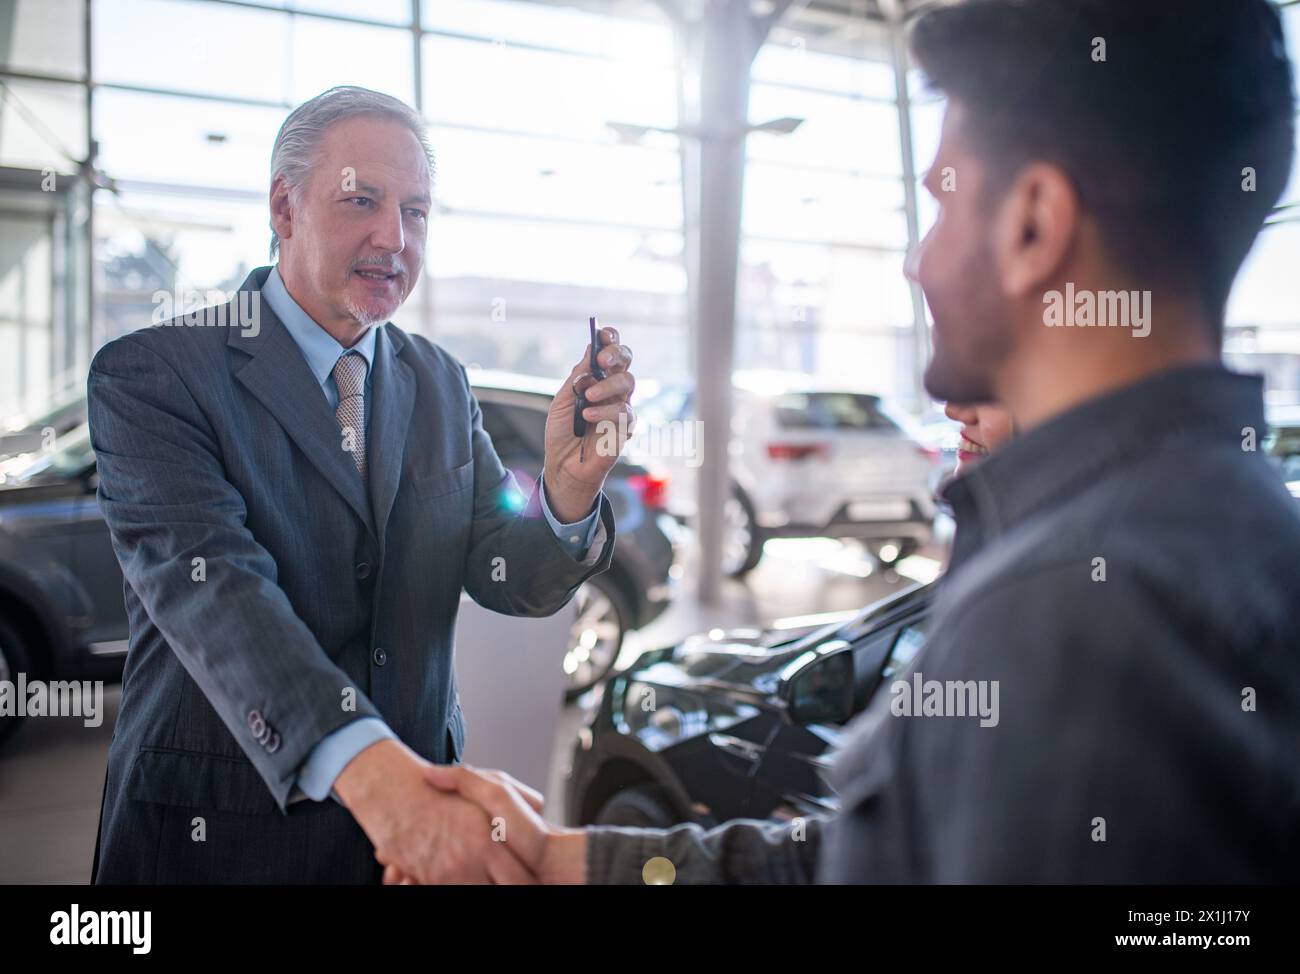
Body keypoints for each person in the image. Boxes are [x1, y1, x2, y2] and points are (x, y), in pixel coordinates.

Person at [404, 0, 1300, 883]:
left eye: (944, 205)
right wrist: (572, 861)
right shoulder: (1241, 539)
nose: (919, 261)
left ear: (1034, 225)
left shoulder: (1060, 612)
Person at [87, 85, 637, 884]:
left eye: (416, 212)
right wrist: (381, 779)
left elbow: (506, 575)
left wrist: (566, 492)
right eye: (362, 201)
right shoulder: (157, 376)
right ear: (285, 207)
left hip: (409, 845)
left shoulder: (439, 381)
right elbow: (219, 597)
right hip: (225, 840)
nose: (394, 238)